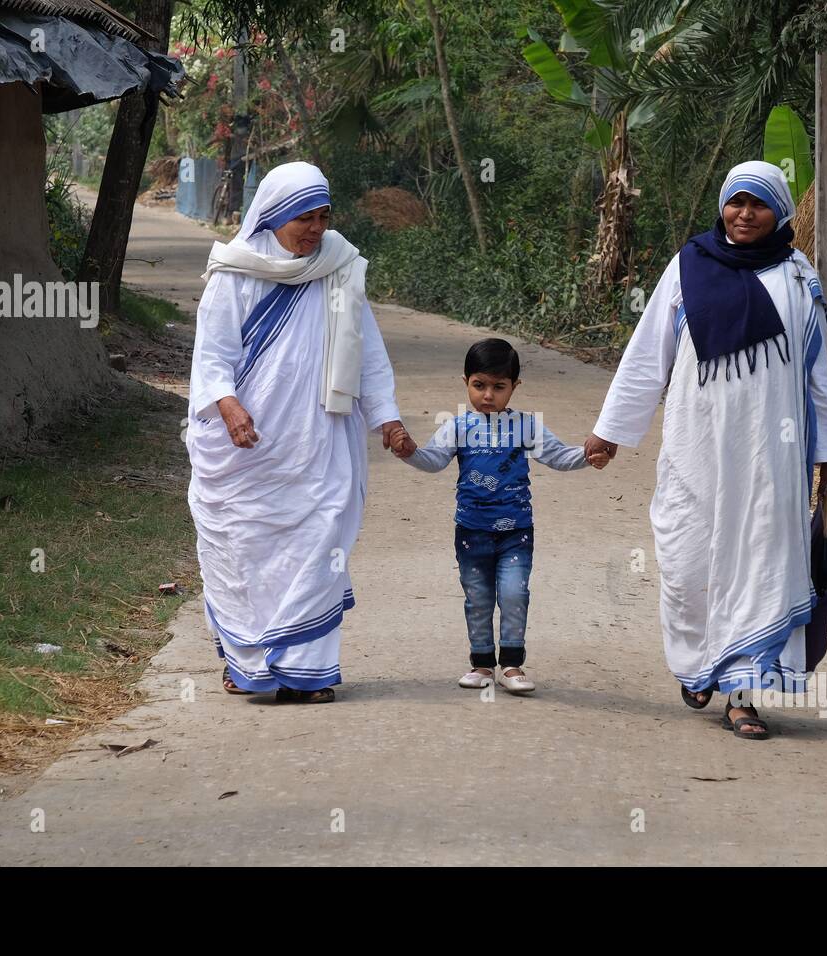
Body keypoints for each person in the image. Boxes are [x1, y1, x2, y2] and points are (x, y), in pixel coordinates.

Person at [585, 161, 827, 739]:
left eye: (759, 204)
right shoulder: (688, 267)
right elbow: (648, 353)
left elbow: (816, 375)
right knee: (686, 560)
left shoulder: (799, 279)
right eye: (736, 202)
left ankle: (741, 693)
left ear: (780, 211)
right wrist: (610, 431)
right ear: (722, 206)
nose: (745, 214)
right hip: (695, 447)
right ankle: (698, 663)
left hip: (770, 459)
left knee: (756, 562)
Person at [185, 161, 414, 702]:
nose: (314, 229)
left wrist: (387, 414)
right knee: (243, 549)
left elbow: (367, 350)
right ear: (272, 219)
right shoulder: (234, 273)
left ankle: (309, 670)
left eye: (322, 217)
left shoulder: (339, 267)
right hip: (249, 448)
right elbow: (213, 356)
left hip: (319, 442)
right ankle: (247, 662)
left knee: (319, 541)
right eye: (302, 219)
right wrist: (229, 406)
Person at [391, 338, 608, 694]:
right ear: (466, 383)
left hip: (516, 533)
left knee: (513, 593)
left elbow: (558, 456)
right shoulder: (457, 427)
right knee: (477, 597)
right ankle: (481, 665)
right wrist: (409, 452)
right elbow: (433, 461)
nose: (488, 395)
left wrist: (589, 456)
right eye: (479, 385)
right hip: (471, 531)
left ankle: (511, 665)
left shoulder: (527, 426)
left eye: (498, 387)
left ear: (514, 387)